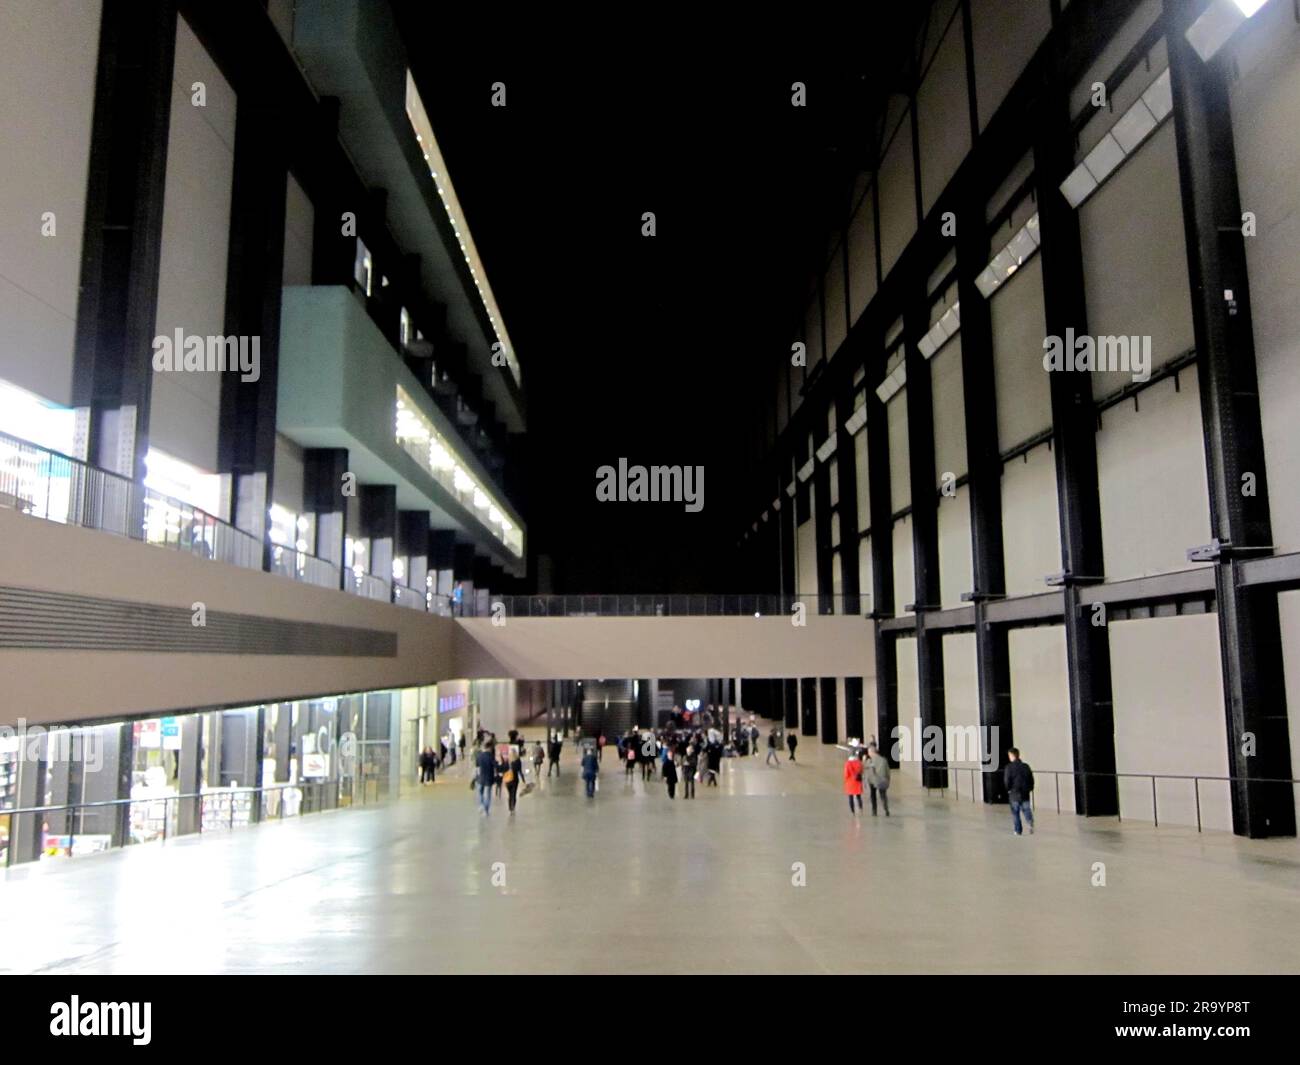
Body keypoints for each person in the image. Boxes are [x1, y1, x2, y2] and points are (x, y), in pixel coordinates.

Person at [1004, 747, 1035, 835]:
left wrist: (1008, 789)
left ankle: (1018, 830)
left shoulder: (1009, 767)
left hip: (1014, 793)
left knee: (1015, 813)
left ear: (1012, 755)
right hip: (1025, 793)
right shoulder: (1026, 766)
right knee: (1026, 809)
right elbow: (1031, 779)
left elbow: (1007, 780)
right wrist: (1030, 788)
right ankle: (1030, 822)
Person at [865, 744, 891, 816]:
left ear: (872, 752)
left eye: (869, 752)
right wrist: (888, 779)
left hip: (872, 781)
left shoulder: (869, 761)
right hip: (882, 780)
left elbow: (866, 769)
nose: (868, 754)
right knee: (883, 795)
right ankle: (886, 809)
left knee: (873, 795)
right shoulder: (883, 760)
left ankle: (874, 811)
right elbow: (888, 771)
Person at [476, 741, 497, 815]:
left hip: (480, 777)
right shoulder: (491, 756)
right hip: (489, 778)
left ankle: (481, 804)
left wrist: (476, 776)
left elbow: (477, 767)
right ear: (490, 748)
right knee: (488, 794)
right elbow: (495, 766)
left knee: (480, 792)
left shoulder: (479, 756)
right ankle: (486, 809)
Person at [843, 750, 864, 815]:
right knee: (858, 796)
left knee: (850, 797)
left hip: (850, 782)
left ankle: (853, 812)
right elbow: (862, 771)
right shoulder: (859, 762)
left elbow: (846, 774)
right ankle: (861, 809)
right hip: (858, 782)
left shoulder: (847, 763)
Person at [506, 744, 524, 814]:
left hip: (508, 779)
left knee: (510, 794)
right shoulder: (518, 760)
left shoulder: (508, 760)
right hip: (515, 779)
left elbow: (504, 769)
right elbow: (520, 771)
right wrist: (523, 780)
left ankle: (509, 807)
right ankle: (512, 807)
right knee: (514, 794)